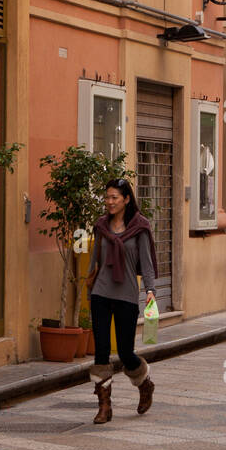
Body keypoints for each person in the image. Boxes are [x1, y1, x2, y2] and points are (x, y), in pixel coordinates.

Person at [86, 178, 158, 425]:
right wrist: (89, 285)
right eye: (107, 197)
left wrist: (150, 290)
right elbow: (94, 260)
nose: (109, 202)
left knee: (126, 352)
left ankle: (144, 383)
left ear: (126, 199)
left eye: (114, 197)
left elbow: (146, 263)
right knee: (102, 351)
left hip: (127, 294)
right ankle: (104, 406)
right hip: (101, 293)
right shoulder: (101, 226)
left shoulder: (140, 227)